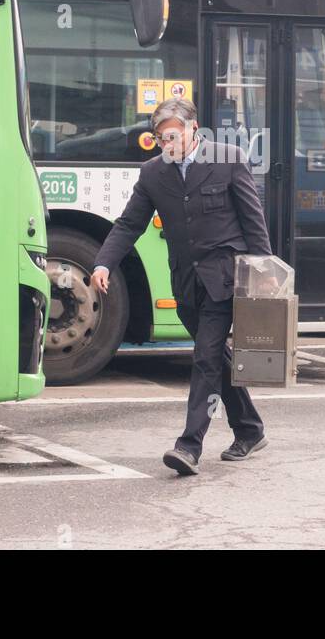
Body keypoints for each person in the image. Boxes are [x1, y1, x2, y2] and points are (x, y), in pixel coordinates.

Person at [91, 97, 271, 476]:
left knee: (205, 359)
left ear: (193, 129)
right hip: (186, 284)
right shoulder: (153, 173)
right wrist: (104, 263)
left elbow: (253, 221)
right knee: (215, 359)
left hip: (224, 280)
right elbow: (129, 224)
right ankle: (250, 429)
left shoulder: (228, 158)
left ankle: (189, 446)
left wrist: (265, 269)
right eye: (159, 138)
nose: (165, 144)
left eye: (171, 136)